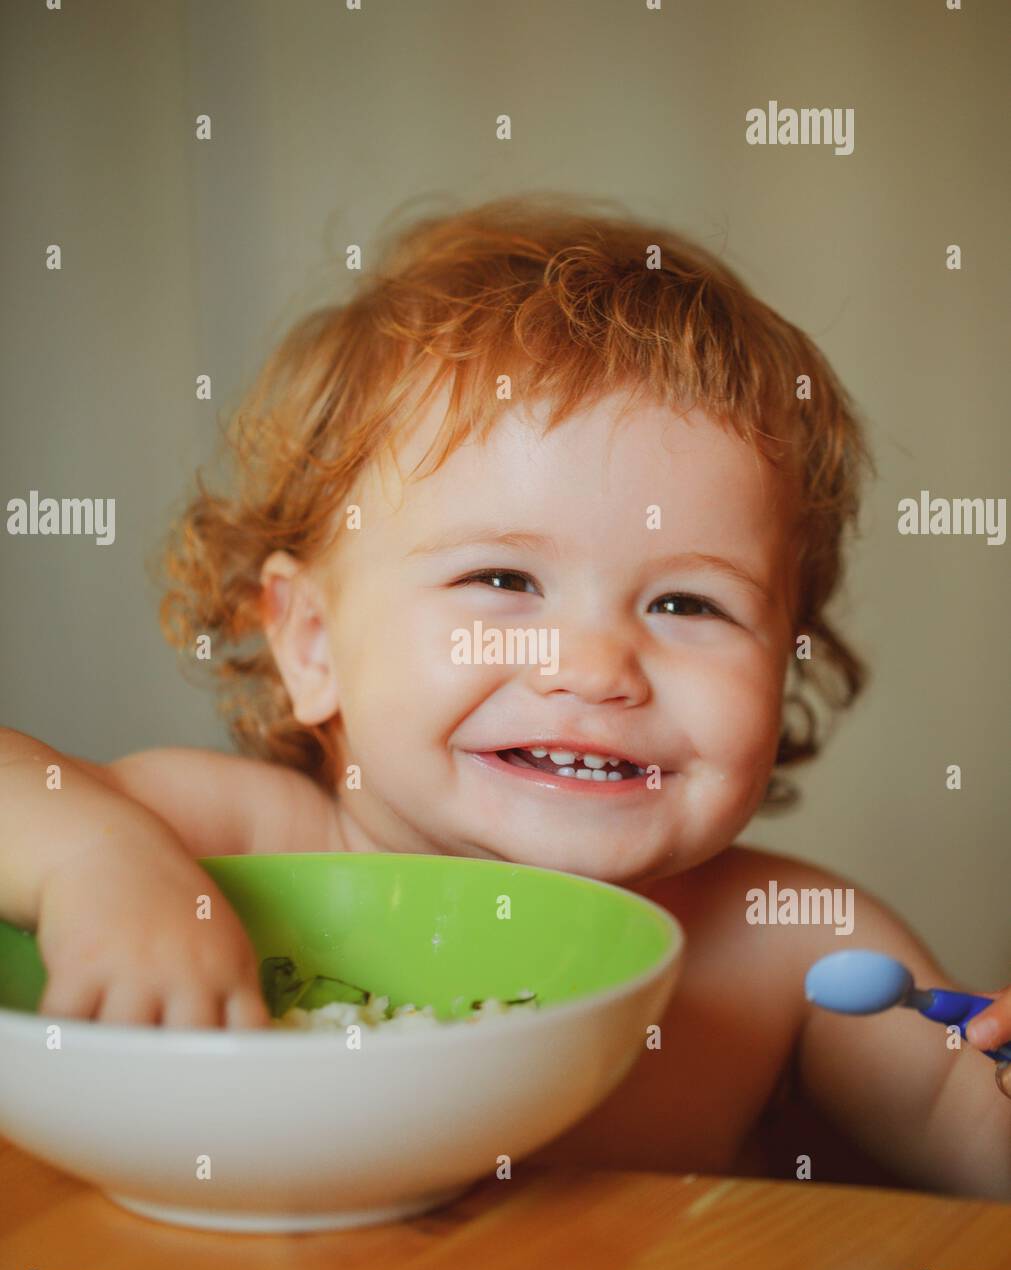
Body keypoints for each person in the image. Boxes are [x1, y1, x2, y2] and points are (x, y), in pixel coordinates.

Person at [3, 194, 1008, 1196]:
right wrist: (99, 860)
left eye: (689, 601)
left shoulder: (798, 947)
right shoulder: (241, 847)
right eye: (505, 581)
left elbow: (978, 1158)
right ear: (311, 641)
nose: (595, 667)